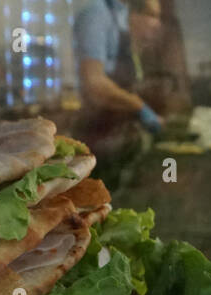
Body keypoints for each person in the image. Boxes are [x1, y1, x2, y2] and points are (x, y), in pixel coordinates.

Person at [73, 0, 164, 179]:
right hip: (98, 138)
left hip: (119, 141)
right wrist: (140, 107)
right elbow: (94, 84)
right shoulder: (97, 14)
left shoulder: (119, 16)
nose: (157, 24)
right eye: (152, 15)